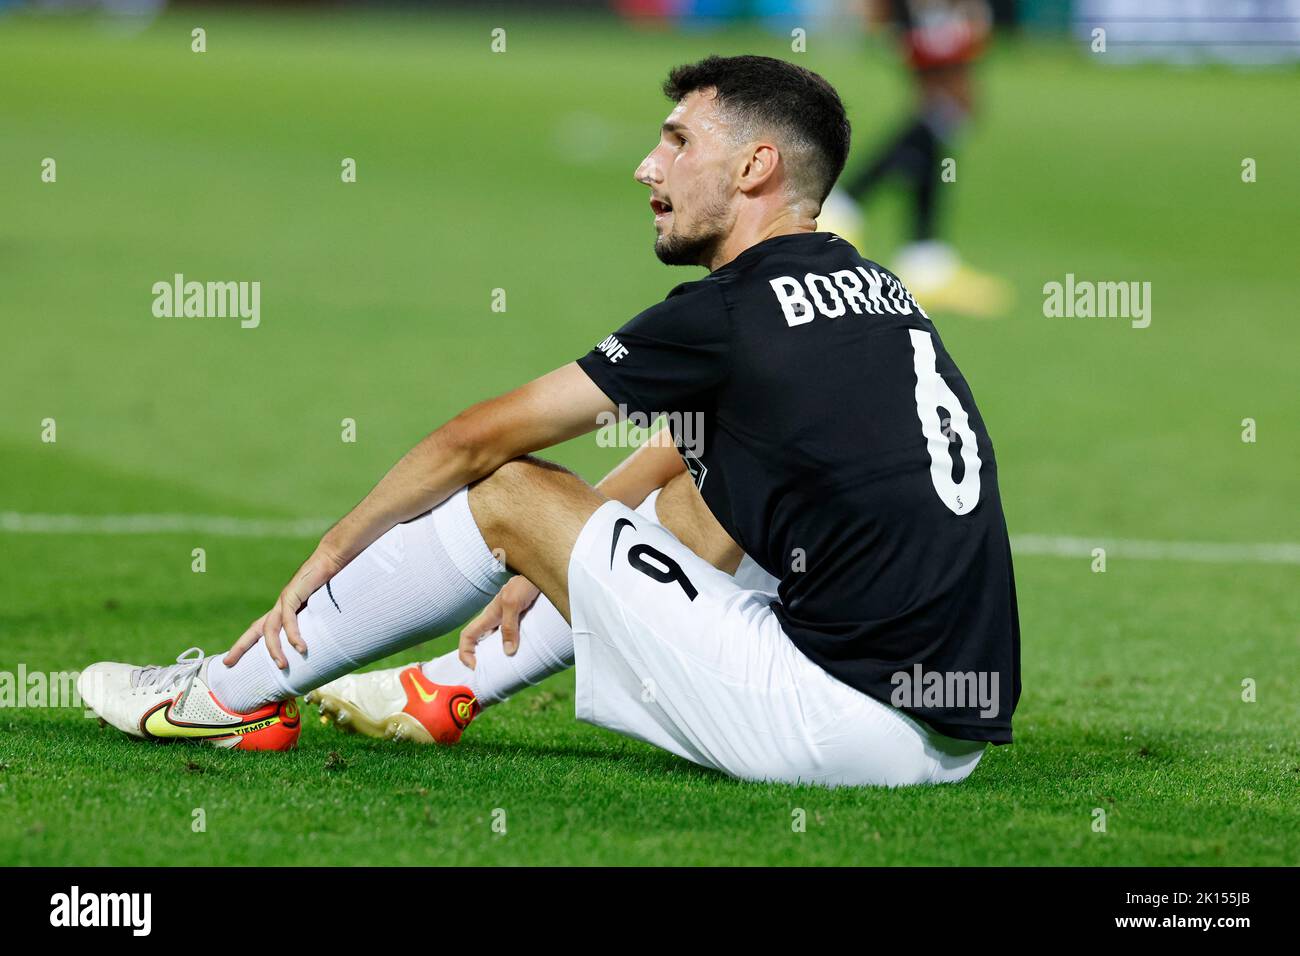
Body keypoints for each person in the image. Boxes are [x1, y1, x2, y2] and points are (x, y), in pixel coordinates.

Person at [79, 54, 1019, 787]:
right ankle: (451, 685)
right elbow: (694, 444)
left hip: (832, 727)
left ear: (755, 166)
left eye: (678, 142)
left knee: (513, 493)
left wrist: (332, 550)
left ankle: (221, 697)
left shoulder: (728, 311)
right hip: (944, 736)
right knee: (703, 474)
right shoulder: (875, 288)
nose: (648, 165)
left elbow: (479, 440)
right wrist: (571, 553)